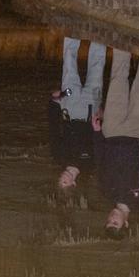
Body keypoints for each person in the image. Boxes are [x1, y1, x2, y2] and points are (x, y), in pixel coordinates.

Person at [95, 49, 139, 237]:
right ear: (125, 224)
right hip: (137, 133)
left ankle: (121, 42)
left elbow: (100, 159)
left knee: (117, 79)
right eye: (115, 223)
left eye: (108, 221)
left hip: (111, 131)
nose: (112, 217)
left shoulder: (106, 191)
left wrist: (97, 134)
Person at [50, 37, 106, 192]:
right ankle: (99, 33)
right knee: (97, 66)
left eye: (60, 180)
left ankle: (72, 32)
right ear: (74, 183)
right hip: (90, 110)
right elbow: (100, 143)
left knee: (68, 64)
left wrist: (54, 101)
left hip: (69, 106)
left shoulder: (58, 156)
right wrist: (100, 124)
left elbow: (53, 128)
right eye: (65, 182)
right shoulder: (89, 164)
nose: (62, 178)